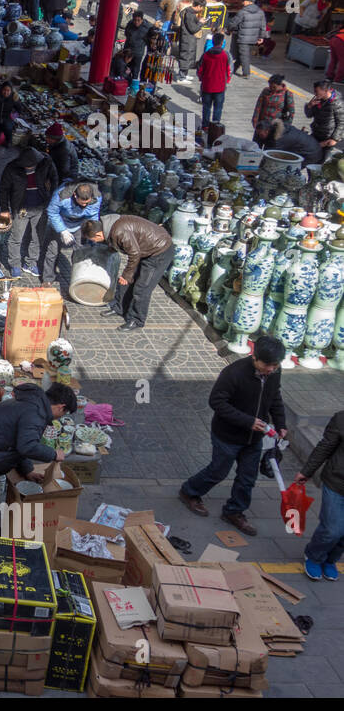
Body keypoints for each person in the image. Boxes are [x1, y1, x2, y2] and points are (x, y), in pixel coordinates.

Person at [0, 383, 77, 561]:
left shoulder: (33, 406)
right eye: (63, 414)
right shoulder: (35, 414)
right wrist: (53, 454)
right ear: (61, 407)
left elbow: (17, 443)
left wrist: (28, 470)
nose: (60, 418)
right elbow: (27, 446)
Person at [180, 337, 288, 537]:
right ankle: (189, 491)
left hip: (254, 438)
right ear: (255, 357)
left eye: (275, 365)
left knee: (248, 477)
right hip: (227, 435)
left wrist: (281, 424)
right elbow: (217, 402)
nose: (271, 369)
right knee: (218, 471)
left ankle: (234, 511)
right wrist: (247, 421)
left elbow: (275, 398)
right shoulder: (234, 373)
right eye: (267, 365)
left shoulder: (274, 373)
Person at [82, 215, 176, 331]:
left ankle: (137, 320)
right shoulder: (108, 226)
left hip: (159, 252)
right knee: (125, 282)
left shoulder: (119, 231)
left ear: (98, 234)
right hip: (145, 249)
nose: (94, 242)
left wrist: (127, 275)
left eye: (93, 240)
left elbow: (134, 253)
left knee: (142, 288)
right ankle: (119, 308)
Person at [295, 410, 344, 581]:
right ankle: (314, 555)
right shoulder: (341, 418)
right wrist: (307, 471)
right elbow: (325, 446)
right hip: (337, 483)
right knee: (332, 530)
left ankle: (330, 560)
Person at [0, 147, 58, 277]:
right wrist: (4, 210)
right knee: (16, 238)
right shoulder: (11, 168)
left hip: (41, 207)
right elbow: (3, 189)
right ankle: (15, 265)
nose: (28, 169)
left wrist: (51, 199)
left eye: (31, 166)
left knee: (37, 238)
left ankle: (31, 263)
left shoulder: (46, 162)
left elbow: (55, 180)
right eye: (26, 166)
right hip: (21, 208)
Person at [43, 181, 102, 286]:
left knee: (81, 252)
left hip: (80, 223)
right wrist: (62, 230)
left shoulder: (96, 197)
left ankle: (78, 279)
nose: (84, 205)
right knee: (53, 251)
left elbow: (93, 216)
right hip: (61, 220)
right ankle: (47, 279)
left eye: (87, 203)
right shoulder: (61, 195)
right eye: (82, 202)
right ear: (75, 195)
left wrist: (92, 232)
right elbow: (52, 212)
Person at [198, 31, 234, 131]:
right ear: (222, 42)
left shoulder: (205, 55)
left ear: (212, 41)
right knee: (218, 108)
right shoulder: (226, 55)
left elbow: (200, 69)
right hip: (220, 86)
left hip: (207, 85)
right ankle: (215, 127)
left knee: (206, 107)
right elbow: (230, 69)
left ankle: (205, 126)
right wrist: (227, 80)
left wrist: (201, 78)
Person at [226, 0, 266, 78]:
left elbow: (234, 23)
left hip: (243, 37)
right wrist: (261, 37)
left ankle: (246, 73)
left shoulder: (243, 12)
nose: (243, 3)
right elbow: (263, 26)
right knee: (244, 54)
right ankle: (233, 69)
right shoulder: (260, 12)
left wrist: (229, 30)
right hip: (253, 38)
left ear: (249, 2)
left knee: (244, 55)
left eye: (244, 1)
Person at [252, 74, 295, 149]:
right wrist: (255, 120)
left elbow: (291, 113)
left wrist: (285, 127)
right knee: (256, 146)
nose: (271, 88)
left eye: (274, 87)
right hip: (262, 124)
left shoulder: (287, 94)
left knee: (270, 148)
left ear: (280, 85)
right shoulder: (266, 91)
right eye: (270, 86)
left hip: (274, 127)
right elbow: (258, 106)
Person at [305, 80, 344, 159]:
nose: (315, 94)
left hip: (327, 139)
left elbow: (342, 122)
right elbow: (309, 115)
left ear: (326, 91)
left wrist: (334, 139)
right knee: (309, 158)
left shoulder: (337, 103)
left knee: (320, 162)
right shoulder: (317, 99)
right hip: (316, 133)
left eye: (317, 92)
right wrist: (309, 106)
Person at [175, 0, 207, 85]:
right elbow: (193, 29)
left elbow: (192, 22)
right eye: (202, 8)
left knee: (188, 55)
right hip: (187, 38)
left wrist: (199, 20)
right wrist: (201, 23)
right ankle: (182, 77)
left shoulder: (188, 11)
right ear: (198, 6)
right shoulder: (190, 14)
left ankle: (184, 74)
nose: (201, 9)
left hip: (187, 37)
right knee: (186, 56)